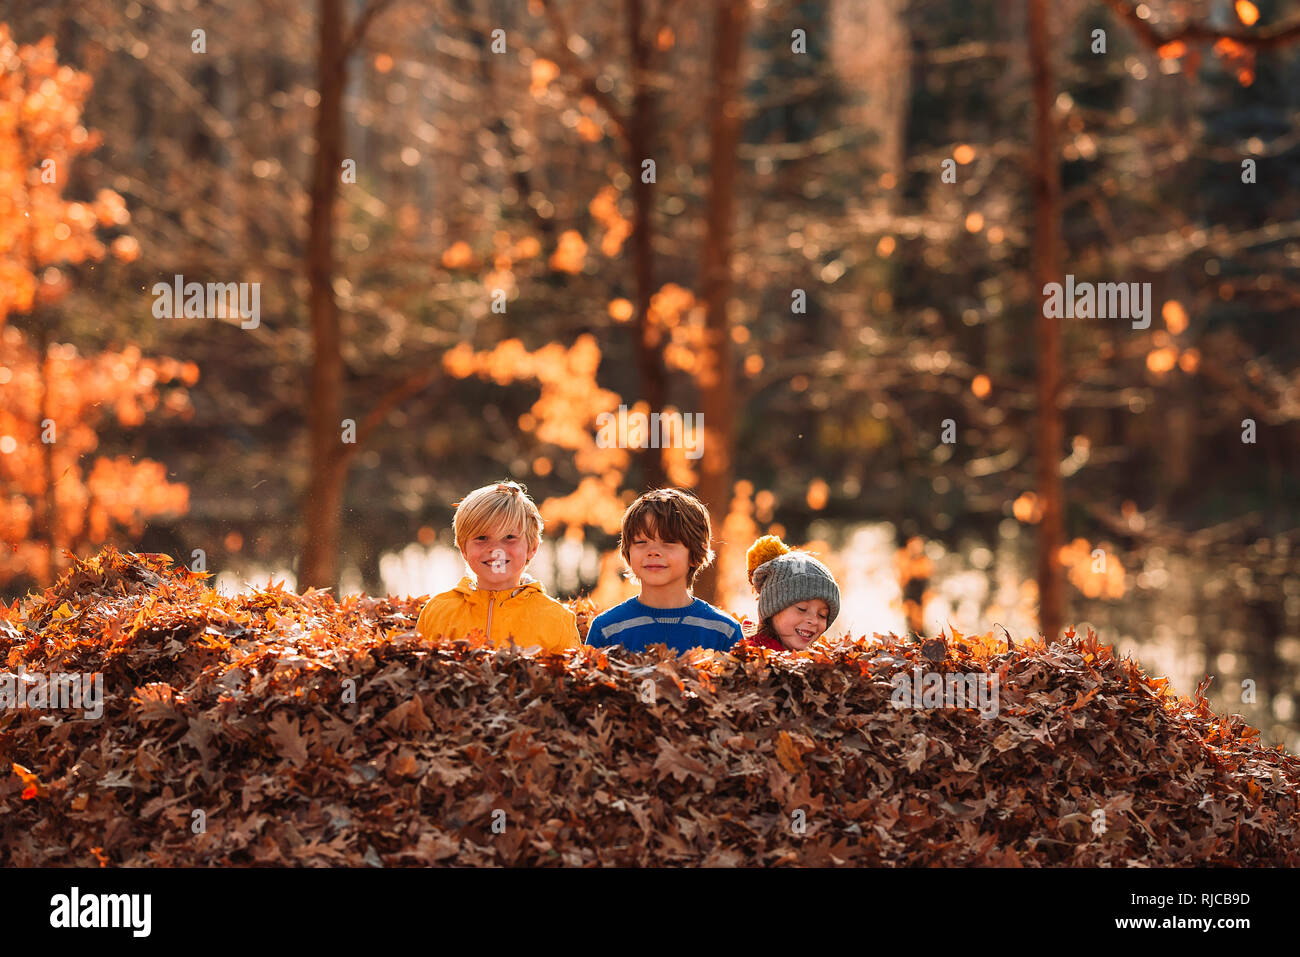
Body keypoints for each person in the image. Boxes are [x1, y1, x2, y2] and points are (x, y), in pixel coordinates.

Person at [415, 480, 582, 653]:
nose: (495, 550)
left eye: (509, 537)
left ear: (532, 548)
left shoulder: (557, 620)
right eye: (482, 538)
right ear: (464, 549)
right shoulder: (437, 613)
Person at [585, 488, 742, 653]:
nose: (653, 551)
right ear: (627, 551)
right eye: (641, 542)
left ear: (696, 553)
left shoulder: (724, 631)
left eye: (668, 542)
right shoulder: (606, 629)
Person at [739, 535, 841, 652]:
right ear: (772, 607)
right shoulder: (756, 656)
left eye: (822, 615)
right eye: (802, 609)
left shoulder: (811, 658)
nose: (813, 620)